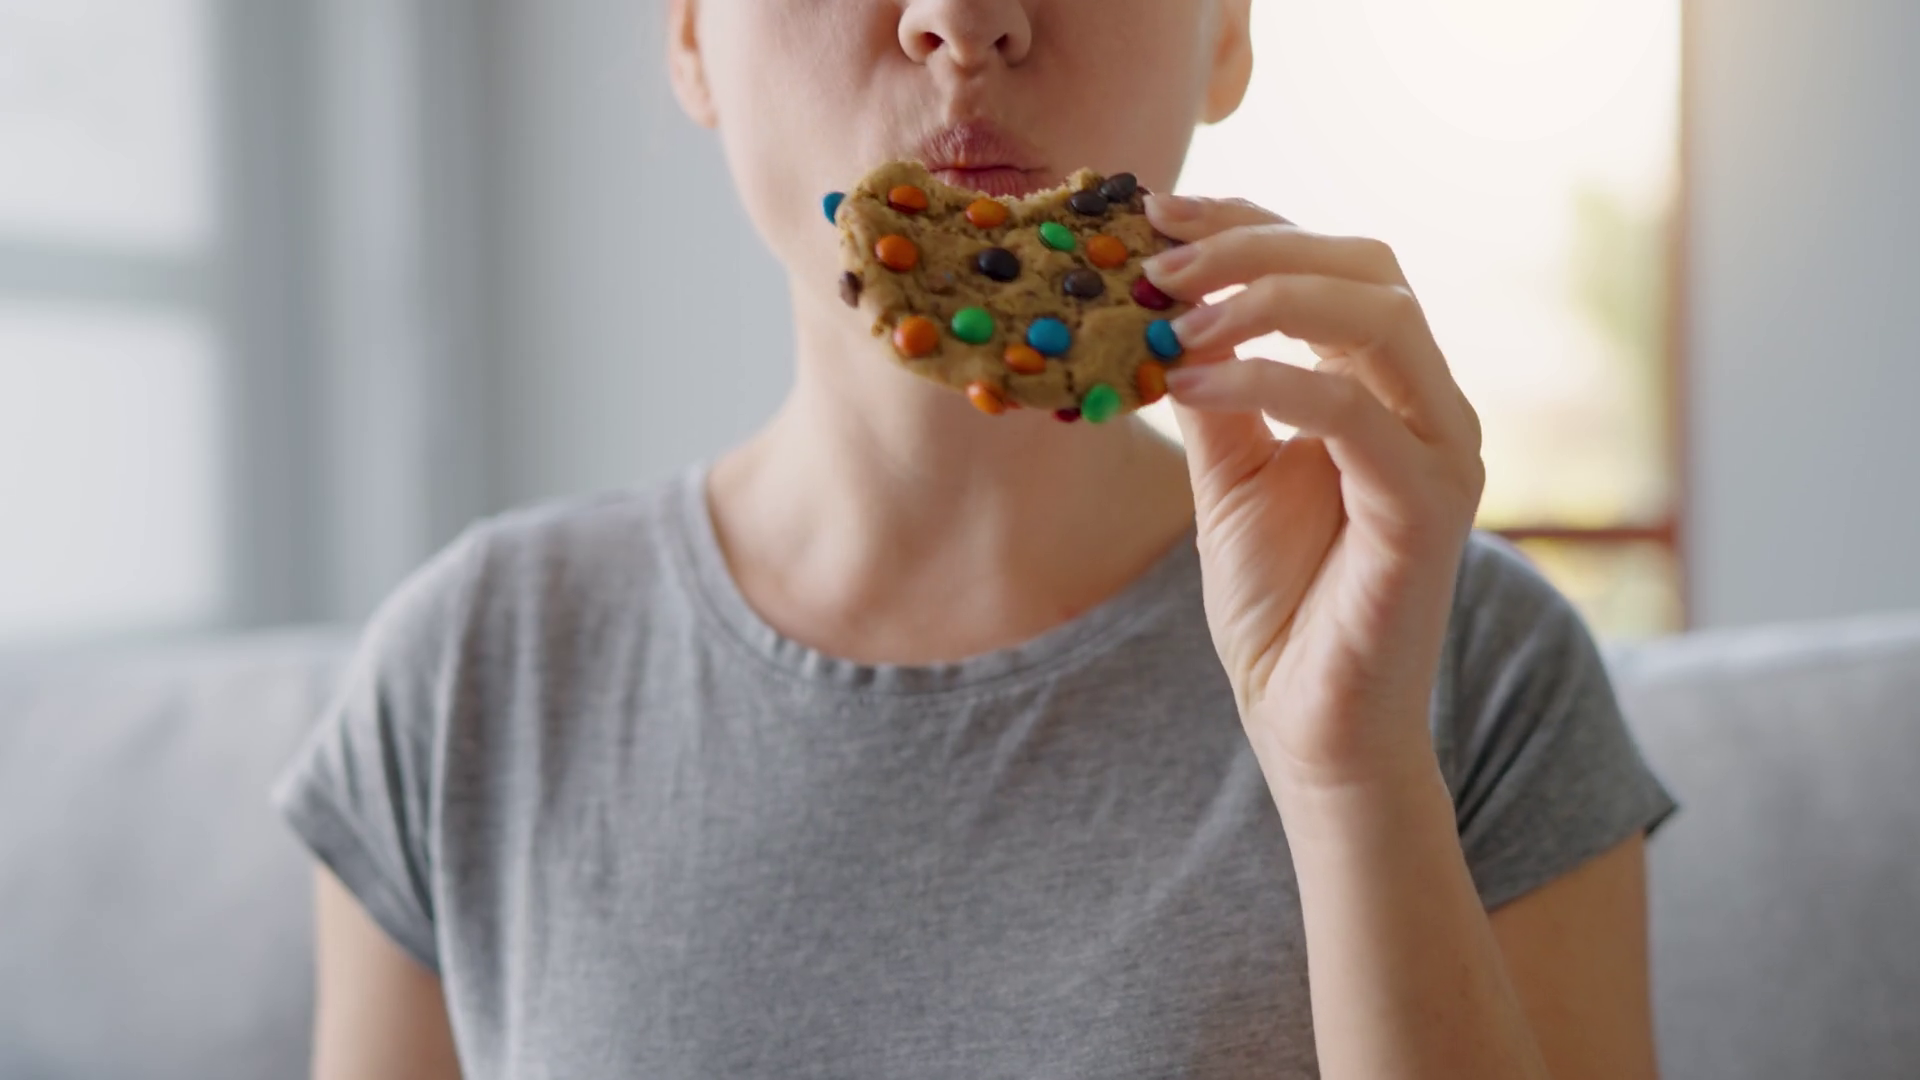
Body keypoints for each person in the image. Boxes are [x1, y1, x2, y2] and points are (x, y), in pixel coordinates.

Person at [272, 2, 1676, 1076]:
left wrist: (1357, 780)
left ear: (1227, 32)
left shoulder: (1460, 664)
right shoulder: (475, 672)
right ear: (694, 36)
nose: (964, 15)